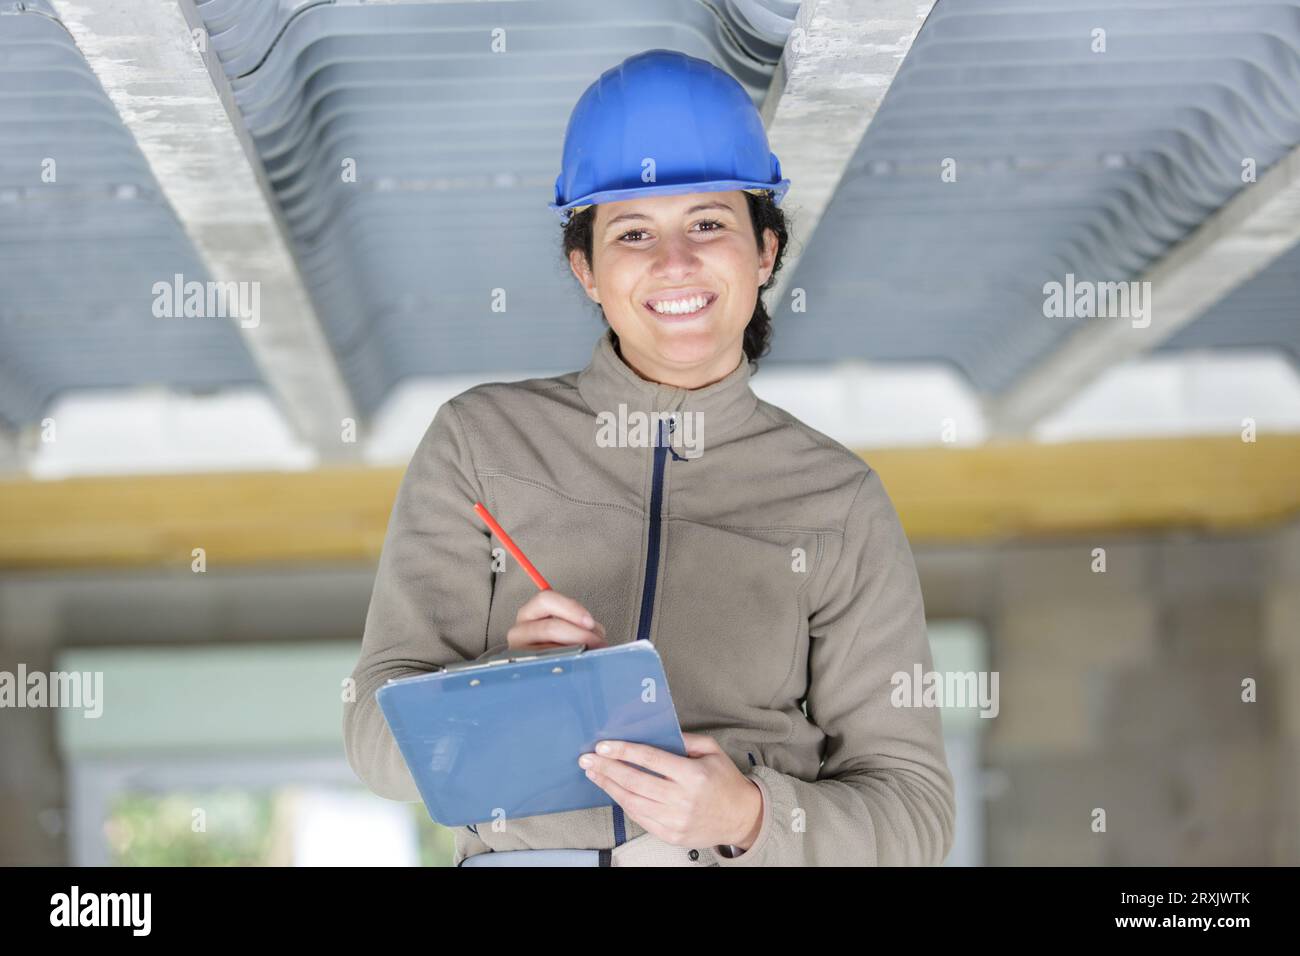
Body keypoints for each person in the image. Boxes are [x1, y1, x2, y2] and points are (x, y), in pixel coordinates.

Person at [344, 48, 956, 867]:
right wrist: (503, 682)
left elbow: (915, 818)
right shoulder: (479, 444)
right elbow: (373, 744)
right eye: (634, 232)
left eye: (709, 223)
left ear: (764, 251)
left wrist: (748, 818)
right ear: (586, 270)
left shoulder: (837, 501)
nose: (676, 263)